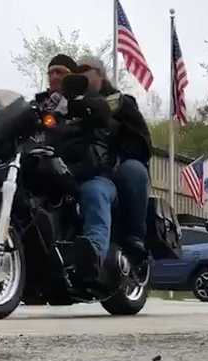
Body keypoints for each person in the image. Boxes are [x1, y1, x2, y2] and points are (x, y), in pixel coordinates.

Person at [76, 57, 153, 264]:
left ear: (100, 74)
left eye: (85, 69)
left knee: (132, 169)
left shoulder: (120, 103)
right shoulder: (69, 104)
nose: (79, 74)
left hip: (107, 171)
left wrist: (116, 154)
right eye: (76, 70)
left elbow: (142, 142)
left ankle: (134, 236)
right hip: (76, 170)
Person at [53, 65, 119, 286]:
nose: (56, 78)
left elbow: (101, 111)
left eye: (61, 74)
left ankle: (92, 258)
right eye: (51, 73)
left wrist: (77, 104)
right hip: (59, 176)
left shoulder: (93, 102)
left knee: (93, 193)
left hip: (94, 175)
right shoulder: (47, 107)